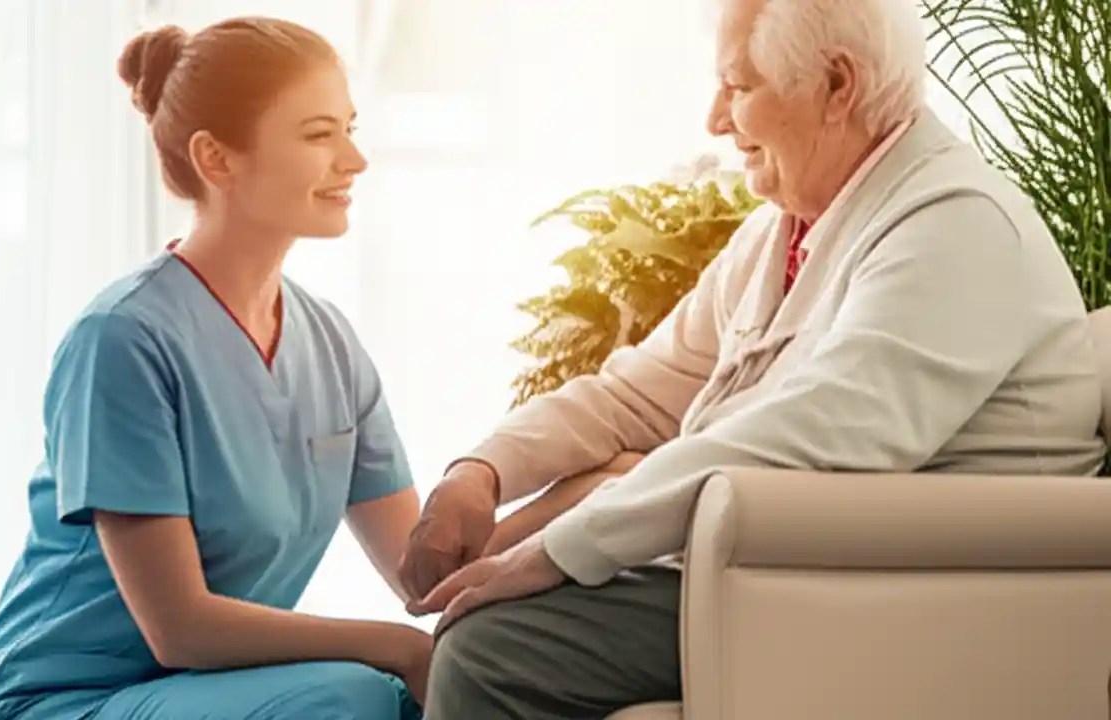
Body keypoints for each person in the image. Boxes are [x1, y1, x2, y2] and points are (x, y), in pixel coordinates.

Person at [400, 0, 1107, 717]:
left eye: (739, 86)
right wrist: (484, 472)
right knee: (483, 627)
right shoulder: (784, 233)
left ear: (838, 85)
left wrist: (554, 550)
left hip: (895, 597)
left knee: (490, 653)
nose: (714, 118)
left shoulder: (957, 226)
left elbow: (819, 436)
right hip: (776, 571)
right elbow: (635, 396)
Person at [0, 17, 428, 720]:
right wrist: (400, 647)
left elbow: (427, 576)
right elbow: (180, 628)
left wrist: (584, 497)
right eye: (319, 134)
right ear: (217, 158)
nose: (354, 160)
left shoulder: (328, 343)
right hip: (56, 703)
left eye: (350, 129)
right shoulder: (121, 340)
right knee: (360, 698)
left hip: (203, 696)